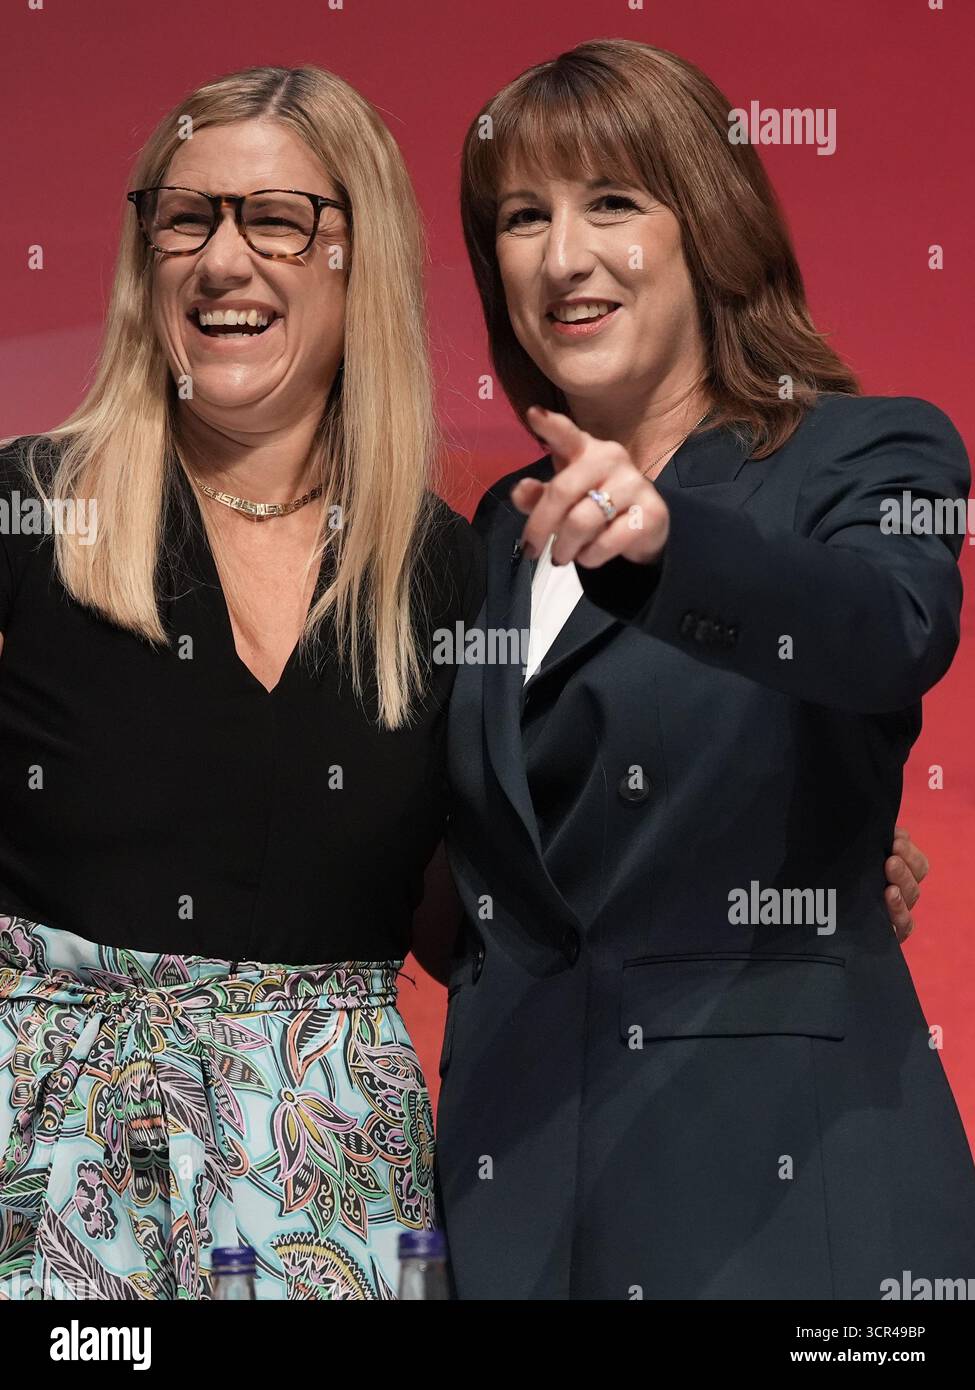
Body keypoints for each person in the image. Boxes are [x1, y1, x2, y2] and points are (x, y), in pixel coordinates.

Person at [436, 39, 975, 1299]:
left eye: (612, 201)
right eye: (523, 216)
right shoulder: (490, 545)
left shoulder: (858, 451)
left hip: (779, 1208)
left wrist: (674, 550)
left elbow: (888, 625)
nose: (562, 255)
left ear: (710, 223)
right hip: (517, 1195)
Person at [0, 65, 482, 1300]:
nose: (223, 259)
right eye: (185, 216)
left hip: (334, 1186)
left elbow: (466, 907)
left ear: (355, 258)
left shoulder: (437, 570)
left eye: (276, 218)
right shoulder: (30, 512)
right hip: (51, 1185)